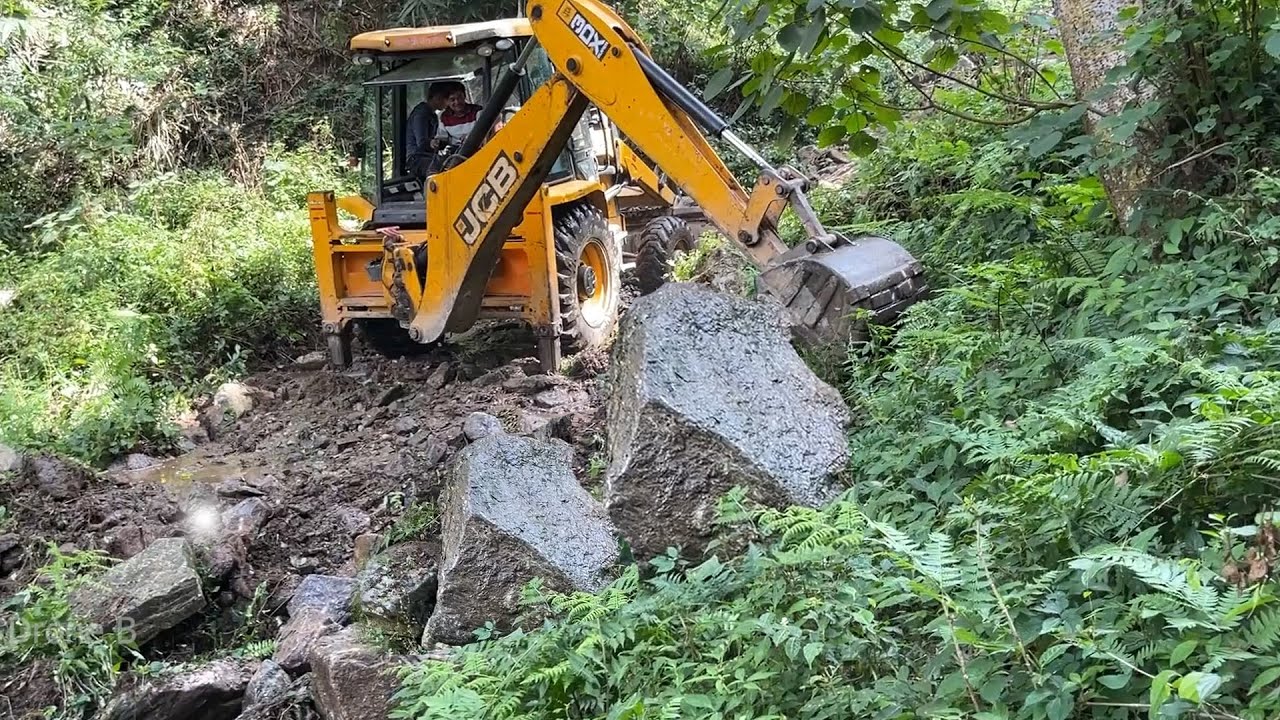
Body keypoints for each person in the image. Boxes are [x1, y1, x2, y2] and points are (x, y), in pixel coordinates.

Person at [406, 82, 451, 177]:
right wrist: (433, 143)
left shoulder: (433, 115)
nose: (448, 104)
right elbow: (422, 143)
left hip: (428, 156)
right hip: (416, 158)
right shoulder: (421, 114)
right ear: (437, 97)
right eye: (447, 99)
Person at [433, 82, 484, 151]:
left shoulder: (477, 112)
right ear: (447, 101)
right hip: (456, 152)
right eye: (452, 99)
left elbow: (483, 133)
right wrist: (436, 142)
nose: (457, 102)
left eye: (459, 98)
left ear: (464, 96)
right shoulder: (444, 118)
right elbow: (442, 137)